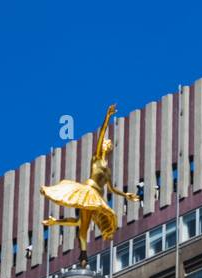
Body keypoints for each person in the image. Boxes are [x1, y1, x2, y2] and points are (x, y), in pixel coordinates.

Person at [41, 105, 139, 267]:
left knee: (86, 222)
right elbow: (101, 134)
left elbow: (112, 189)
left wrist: (126, 195)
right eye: (106, 143)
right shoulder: (97, 158)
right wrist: (107, 117)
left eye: (109, 144)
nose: (107, 144)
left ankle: (58, 225)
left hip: (96, 196)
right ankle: (83, 254)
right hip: (87, 190)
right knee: (83, 226)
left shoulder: (107, 171)